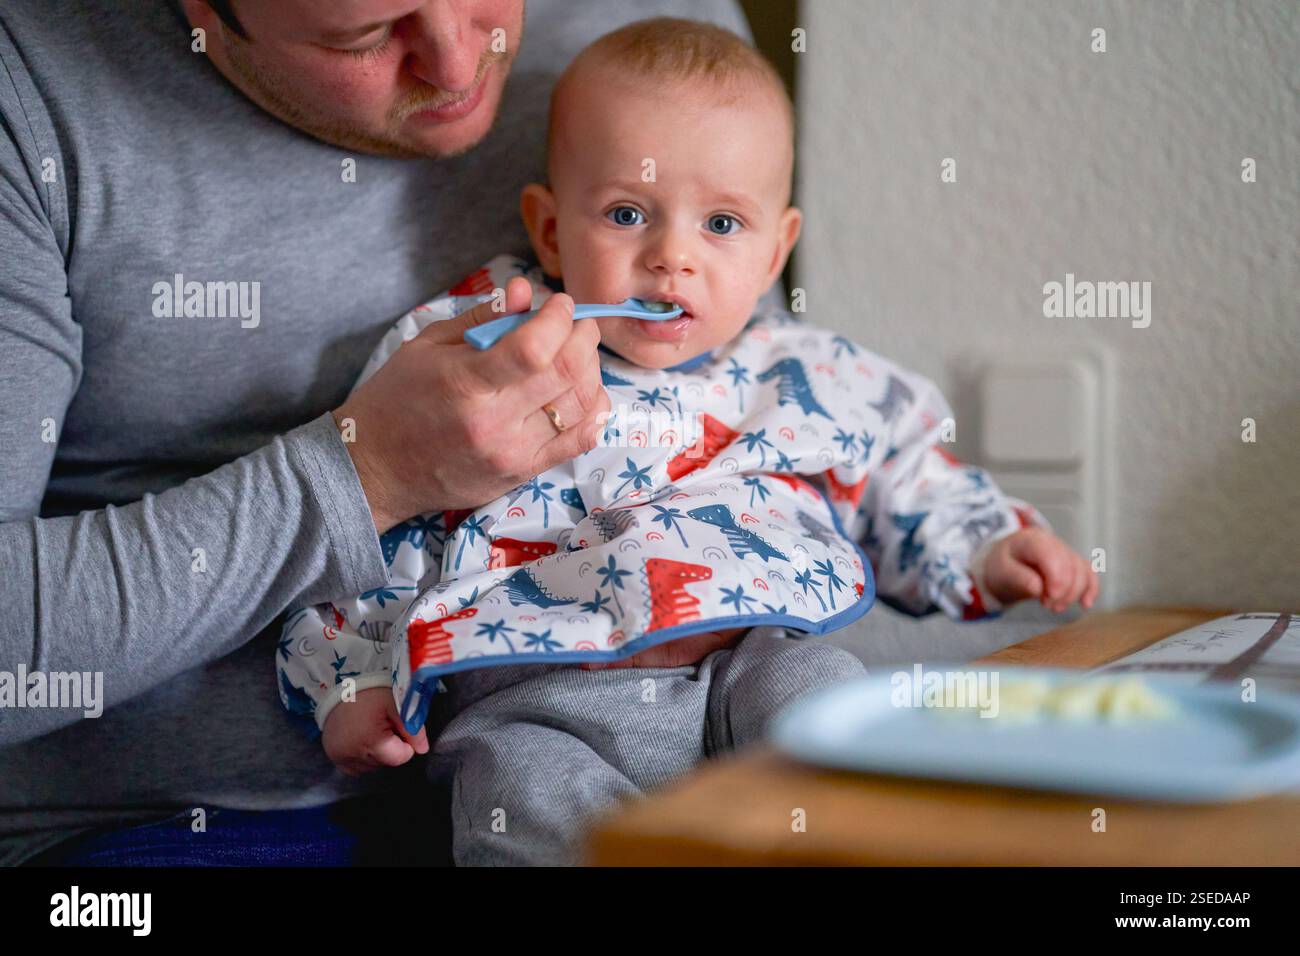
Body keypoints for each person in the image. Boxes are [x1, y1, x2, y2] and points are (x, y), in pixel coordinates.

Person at [279, 18, 1099, 865]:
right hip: (531, 693)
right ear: (553, 230)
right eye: (628, 213)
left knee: (828, 699)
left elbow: (904, 471)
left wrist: (990, 546)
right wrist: (350, 675)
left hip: (748, 661)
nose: (672, 258)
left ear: (777, 249)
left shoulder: (801, 373)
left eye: (722, 225)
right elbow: (363, 516)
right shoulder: (479, 349)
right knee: (518, 787)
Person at [0, 0, 752, 865]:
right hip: (179, 823)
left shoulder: (655, 25)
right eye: (363, 34)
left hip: (632, 753)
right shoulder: (29, 86)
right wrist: (367, 475)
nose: (459, 67)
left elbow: (744, 386)